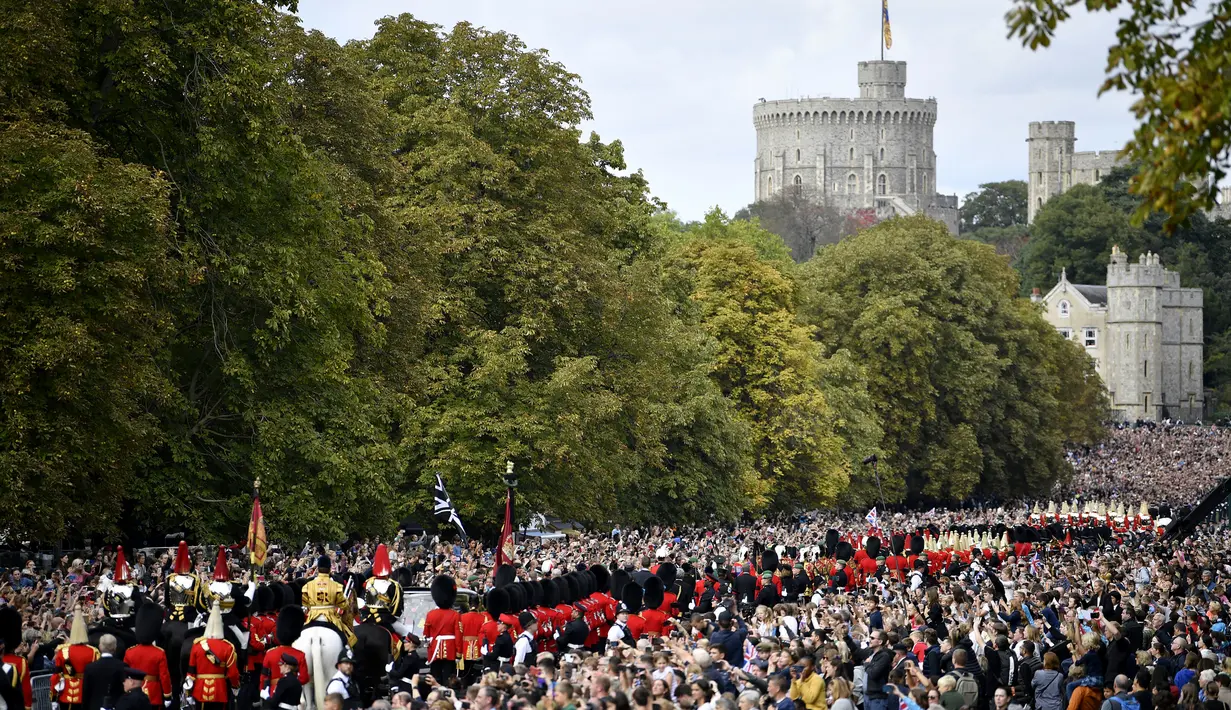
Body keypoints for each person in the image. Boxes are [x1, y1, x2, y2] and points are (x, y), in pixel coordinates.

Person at [184, 602, 239, 710]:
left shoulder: (197, 645)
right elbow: (233, 673)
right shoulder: (228, 647)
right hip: (220, 691)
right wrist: (235, 686)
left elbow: (191, 673)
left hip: (200, 690)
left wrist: (188, 693)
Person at [123, 605, 171, 708]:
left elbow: (125, 675)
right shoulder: (159, 652)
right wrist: (167, 695)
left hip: (133, 690)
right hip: (153, 693)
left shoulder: (130, 651)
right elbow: (164, 676)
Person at [53, 606, 100, 710]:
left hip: (67, 695)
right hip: (86, 693)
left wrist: (53, 694)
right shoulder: (93, 652)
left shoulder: (63, 651)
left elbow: (56, 675)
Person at [82, 634, 124, 710]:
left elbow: (86, 693)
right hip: (116, 706)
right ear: (115, 647)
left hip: (94, 706)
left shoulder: (90, 667)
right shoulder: (122, 666)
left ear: (100, 647)